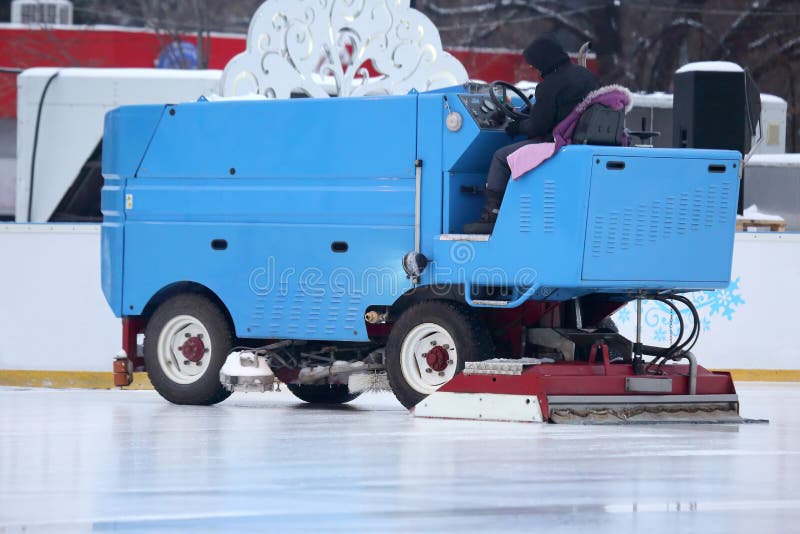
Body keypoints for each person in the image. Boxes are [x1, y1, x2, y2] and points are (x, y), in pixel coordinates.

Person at [464, 37, 599, 234]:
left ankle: (491, 217)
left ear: (543, 60)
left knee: (501, 157)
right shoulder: (586, 76)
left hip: (559, 142)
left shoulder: (551, 84)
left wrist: (516, 127)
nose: (534, 68)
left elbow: (538, 126)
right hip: (580, 138)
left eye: (534, 64)